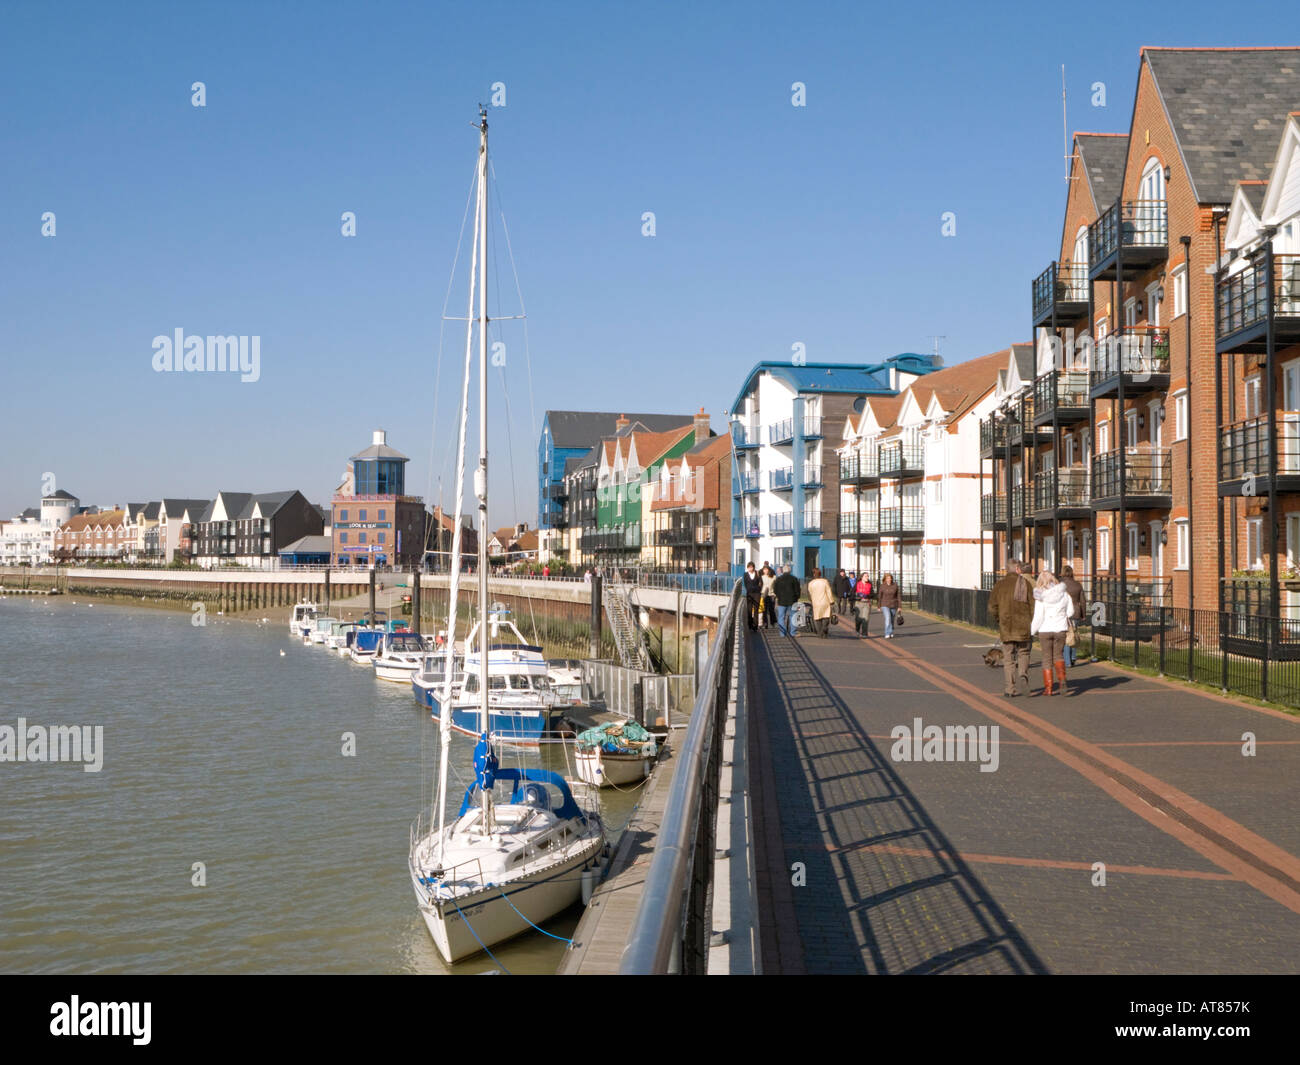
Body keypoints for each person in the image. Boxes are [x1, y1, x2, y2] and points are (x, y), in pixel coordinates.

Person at [988, 560, 1035, 698]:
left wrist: (999, 619)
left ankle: (1010, 688)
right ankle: (1023, 674)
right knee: (1024, 653)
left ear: (1007, 570)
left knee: (1008, 658)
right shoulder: (1025, 584)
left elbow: (992, 607)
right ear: (1018, 569)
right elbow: (1033, 605)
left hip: (1007, 626)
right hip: (1023, 625)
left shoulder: (1000, 585)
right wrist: (1031, 621)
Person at [1031, 567, 1075, 696]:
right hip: (1060, 628)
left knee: (1046, 658)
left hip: (1045, 629)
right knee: (1059, 655)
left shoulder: (1040, 596)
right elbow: (1070, 612)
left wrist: (1032, 631)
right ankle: (1062, 681)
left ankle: (1049, 688)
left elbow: (1038, 616)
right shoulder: (1064, 594)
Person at [1060, 564, 1085, 668]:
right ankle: (1073, 657)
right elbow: (1083, 601)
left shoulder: (1060, 585)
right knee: (1073, 634)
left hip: (1063, 613)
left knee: (1066, 637)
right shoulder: (1077, 585)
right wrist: (1083, 614)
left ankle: (1067, 661)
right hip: (1075, 612)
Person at [772, 563, 801, 636]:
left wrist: (779, 596)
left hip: (781, 601)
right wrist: (796, 597)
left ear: (783, 571)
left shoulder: (778, 579)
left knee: (781, 617)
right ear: (790, 571)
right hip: (792, 600)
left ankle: (782, 632)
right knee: (793, 616)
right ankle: (793, 632)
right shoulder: (794, 579)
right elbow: (798, 590)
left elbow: (775, 590)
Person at [807, 568, 834, 637]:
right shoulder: (825, 581)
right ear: (820, 574)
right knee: (826, 616)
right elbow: (829, 592)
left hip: (816, 603)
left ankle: (820, 632)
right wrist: (831, 601)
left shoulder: (811, 583)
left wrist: (811, 600)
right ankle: (825, 627)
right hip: (825, 601)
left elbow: (810, 593)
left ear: (813, 574)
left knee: (817, 618)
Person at [878, 573, 901, 638]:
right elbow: (880, 596)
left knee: (892, 619)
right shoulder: (882, 586)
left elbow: (898, 596)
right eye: (887, 578)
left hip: (893, 604)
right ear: (885, 579)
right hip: (884, 604)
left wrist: (899, 606)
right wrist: (879, 606)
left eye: (890, 578)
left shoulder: (895, 585)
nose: (889, 579)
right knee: (888, 618)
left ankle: (891, 631)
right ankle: (887, 633)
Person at [742, 562, 762, 631]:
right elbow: (746, 584)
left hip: (757, 594)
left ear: (754, 567)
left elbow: (761, 583)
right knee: (749, 610)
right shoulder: (745, 574)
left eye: (751, 567)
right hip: (749, 593)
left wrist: (758, 589)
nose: (750, 569)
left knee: (756, 610)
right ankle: (750, 624)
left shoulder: (757, 573)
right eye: (749, 567)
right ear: (747, 568)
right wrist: (750, 589)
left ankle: (755, 626)